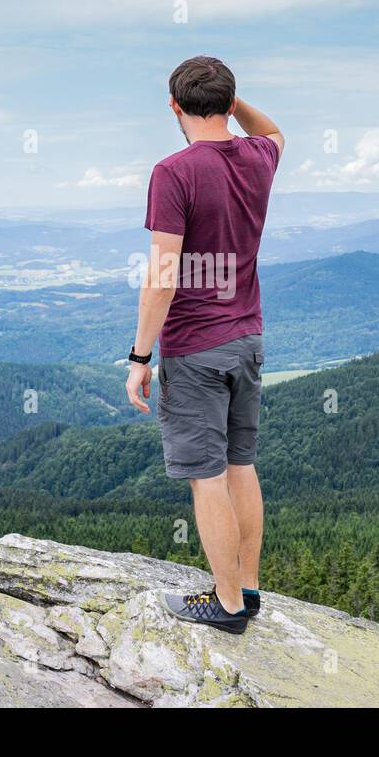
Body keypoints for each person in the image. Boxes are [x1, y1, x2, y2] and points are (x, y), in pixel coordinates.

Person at [125, 55, 283, 634]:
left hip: (195, 347)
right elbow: (272, 132)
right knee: (241, 464)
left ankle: (226, 607)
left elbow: (162, 277)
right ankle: (247, 588)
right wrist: (233, 99)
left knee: (207, 476)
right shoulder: (258, 157)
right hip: (248, 337)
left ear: (174, 107)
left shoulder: (175, 172)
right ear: (229, 101)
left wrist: (140, 357)